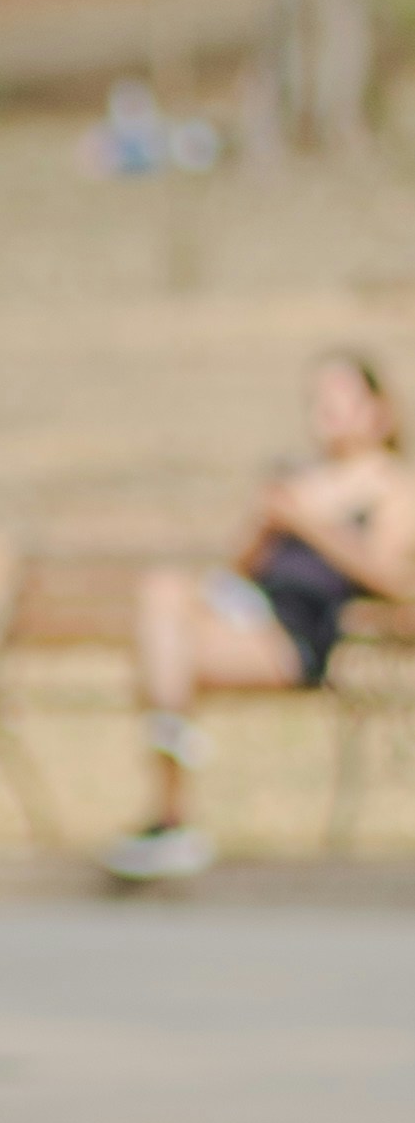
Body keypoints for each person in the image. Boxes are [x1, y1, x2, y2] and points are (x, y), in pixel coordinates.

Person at [106, 350, 415, 882]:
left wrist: (313, 523)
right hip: (244, 614)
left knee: (164, 644)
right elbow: (237, 569)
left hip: (300, 635)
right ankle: (172, 766)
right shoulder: (297, 479)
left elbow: (390, 580)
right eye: (317, 400)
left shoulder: (391, 486)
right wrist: (267, 522)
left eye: (339, 398)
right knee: (163, 594)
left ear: (377, 410)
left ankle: (170, 803)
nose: (325, 410)